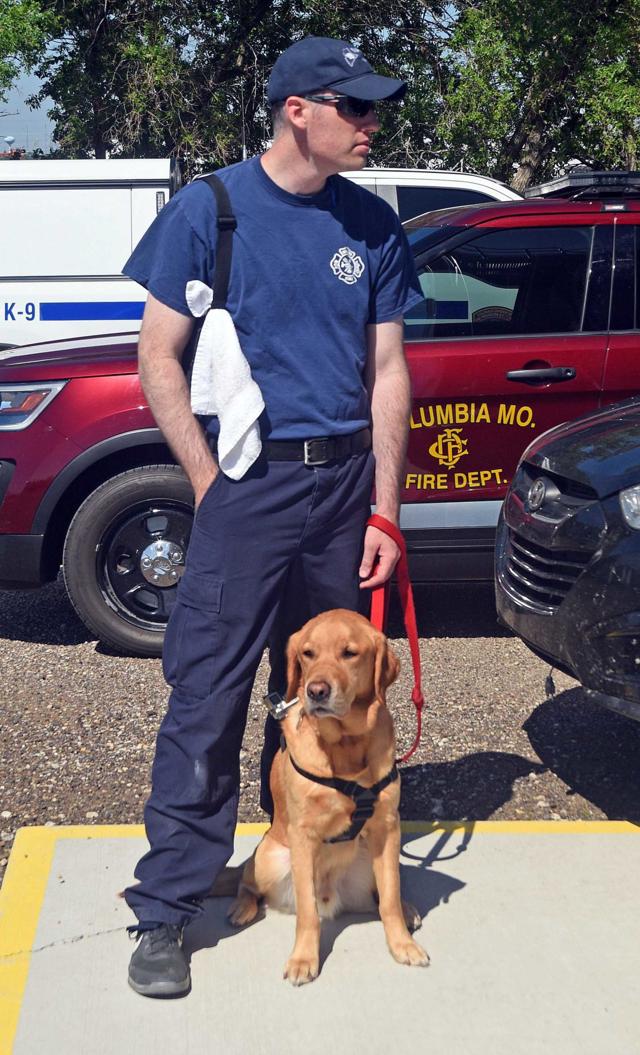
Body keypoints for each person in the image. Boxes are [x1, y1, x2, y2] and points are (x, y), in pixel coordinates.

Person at [124, 35, 422, 998]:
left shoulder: (371, 224)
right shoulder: (210, 210)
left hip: (343, 492)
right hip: (248, 487)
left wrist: (384, 512)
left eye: (374, 108)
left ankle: (289, 848)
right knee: (207, 693)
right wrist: (208, 480)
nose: (372, 124)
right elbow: (157, 356)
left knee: (319, 690)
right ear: (299, 110)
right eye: (356, 107)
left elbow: (387, 372)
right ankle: (166, 908)